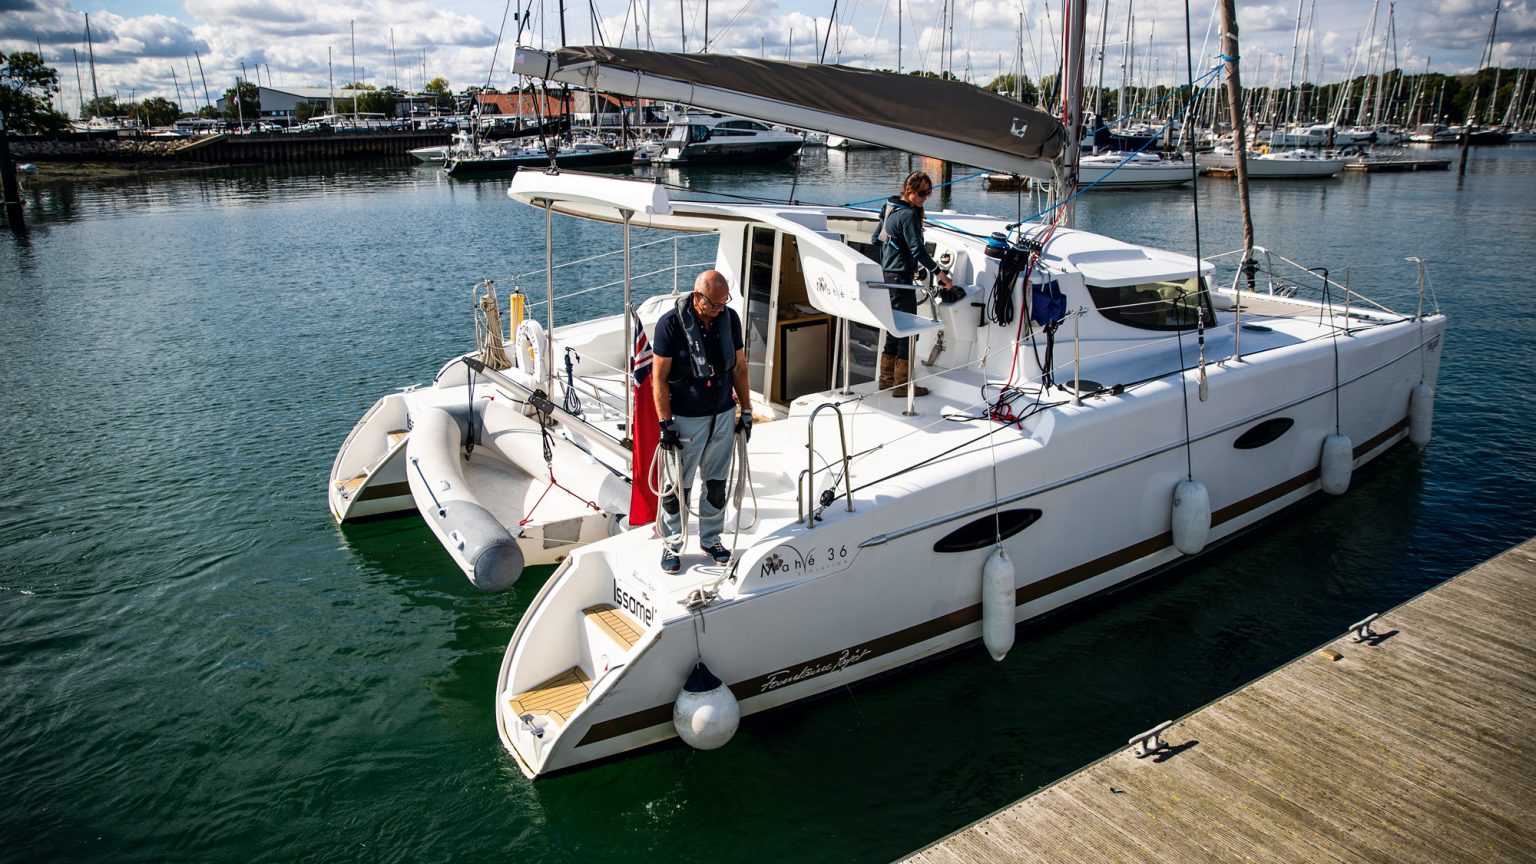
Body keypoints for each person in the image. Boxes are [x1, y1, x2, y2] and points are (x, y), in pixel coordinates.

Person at [652, 270, 753, 574]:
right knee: (675, 489)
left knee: (716, 484)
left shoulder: (729, 319)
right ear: (697, 297)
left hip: (721, 416)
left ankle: (711, 539)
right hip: (684, 420)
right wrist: (665, 422)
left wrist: (746, 411)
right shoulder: (669, 325)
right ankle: (672, 544)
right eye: (713, 304)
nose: (719, 309)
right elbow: (658, 378)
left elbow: (739, 368)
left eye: (723, 303)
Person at [878, 170, 954, 397]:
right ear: (909, 191)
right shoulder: (909, 215)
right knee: (908, 331)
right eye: (921, 193)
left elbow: (876, 239)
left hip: (888, 276)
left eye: (928, 194)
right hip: (900, 277)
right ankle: (902, 385)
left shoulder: (890, 208)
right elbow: (917, 250)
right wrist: (940, 273)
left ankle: (886, 380)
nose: (923, 198)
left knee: (894, 329)